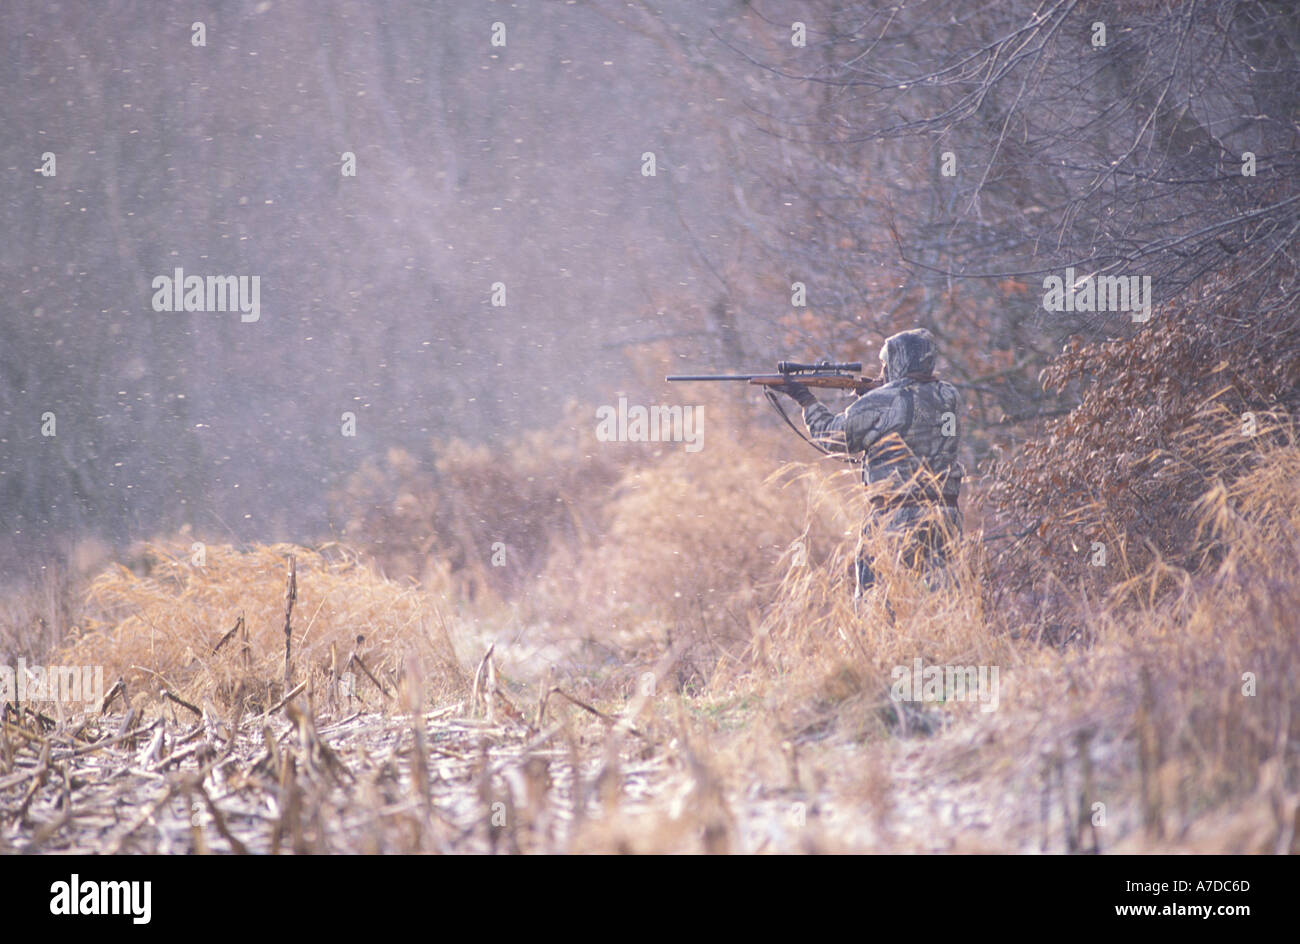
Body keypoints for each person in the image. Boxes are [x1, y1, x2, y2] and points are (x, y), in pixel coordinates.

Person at [775, 328, 963, 600]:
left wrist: (804, 398)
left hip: (896, 518)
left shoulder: (882, 399)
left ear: (899, 362)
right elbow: (912, 425)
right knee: (939, 603)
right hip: (945, 517)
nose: (882, 371)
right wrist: (869, 399)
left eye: (886, 364)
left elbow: (833, 437)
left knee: (879, 604)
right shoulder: (950, 396)